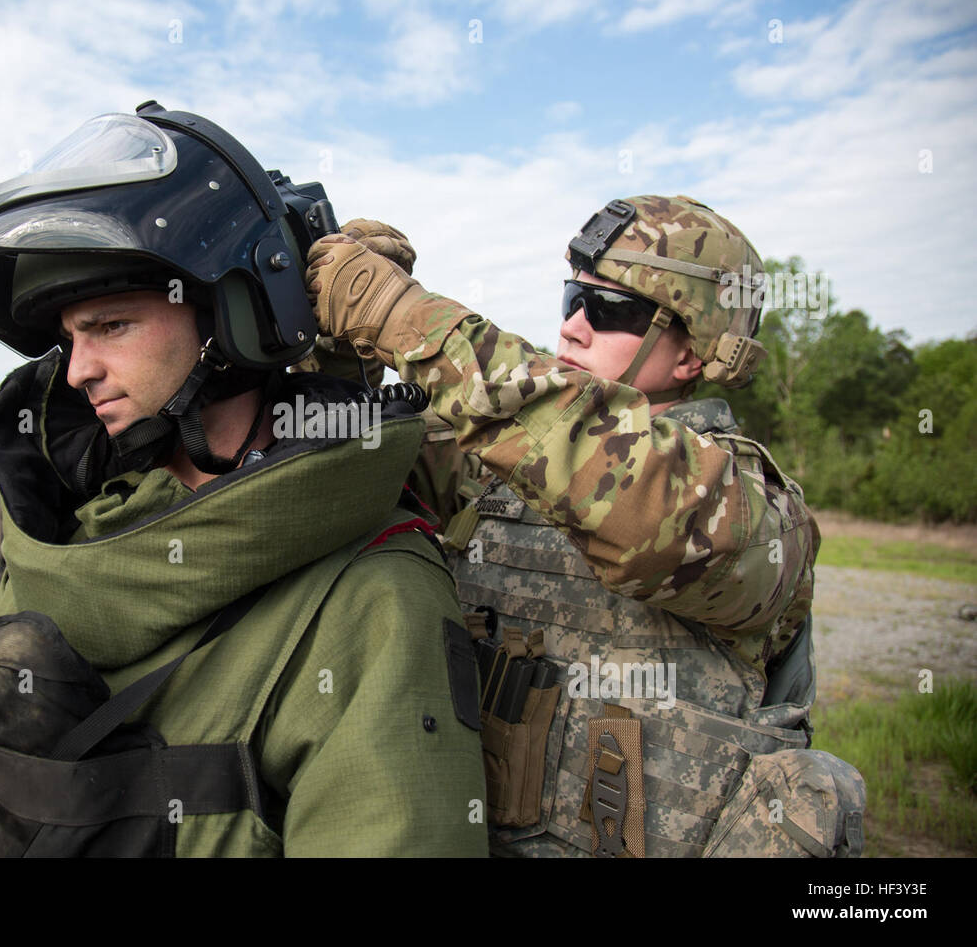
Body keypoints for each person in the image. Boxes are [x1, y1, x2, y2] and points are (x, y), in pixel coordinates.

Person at [0, 104, 487, 857]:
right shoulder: (72, 539)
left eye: (110, 325)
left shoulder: (372, 599)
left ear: (232, 318)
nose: (78, 369)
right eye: (70, 338)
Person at [303, 195, 865, 857]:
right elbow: (336, 466)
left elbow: (633, 495)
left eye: (610, 310)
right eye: (573, 297)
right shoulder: (493, 466)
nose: (572, 326)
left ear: (692, 352)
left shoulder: (752, 512)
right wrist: (345, 355)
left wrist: (405, 317)